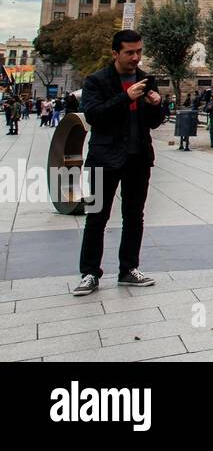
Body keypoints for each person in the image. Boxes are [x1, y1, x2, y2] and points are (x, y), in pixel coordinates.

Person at [72, 29, 163, 296]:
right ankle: (89, 273)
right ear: (115, 53)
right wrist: (126, 97)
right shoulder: (96, 81)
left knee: (134, 216)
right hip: (103, 159)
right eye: (130, 52)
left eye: (139, 52)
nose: (136, 57)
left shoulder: (147, 80)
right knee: (96, 217)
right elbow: (94, 115)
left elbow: (154, 123)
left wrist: (157, 104)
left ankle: (128, 269)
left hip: (138, 158)